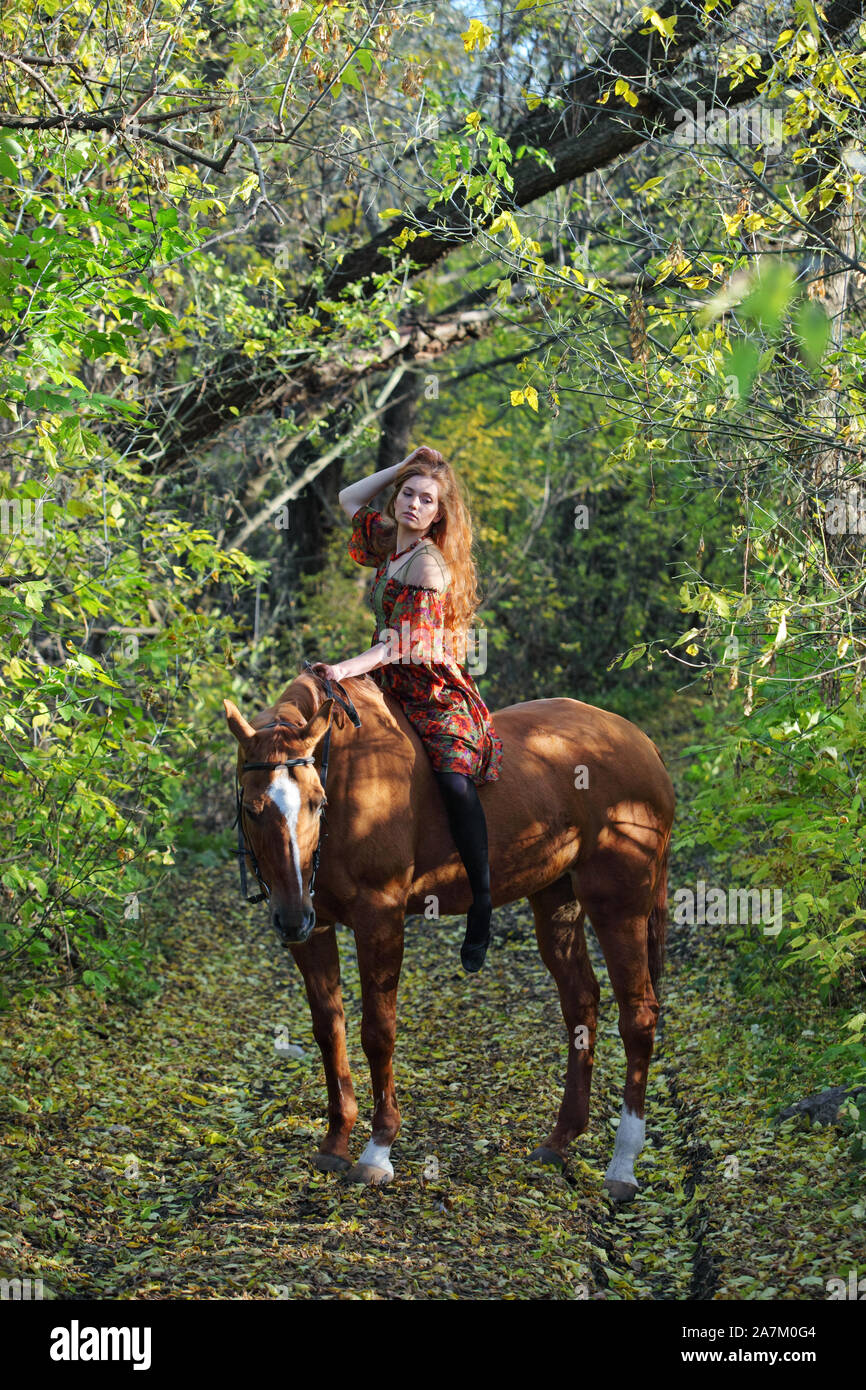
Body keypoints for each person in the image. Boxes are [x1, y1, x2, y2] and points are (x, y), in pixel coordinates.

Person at [312, 445, 503, 972]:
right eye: (408, 495)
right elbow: (348, 496)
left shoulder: (426, 565)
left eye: (426, 500)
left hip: (427, 684)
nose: (414, 505)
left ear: (438, 514)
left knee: (453, 780)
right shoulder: (388, 542)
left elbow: (401, 643)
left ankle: (482, 901)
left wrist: (346, 669)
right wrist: (402, 467)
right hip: (384, 674)